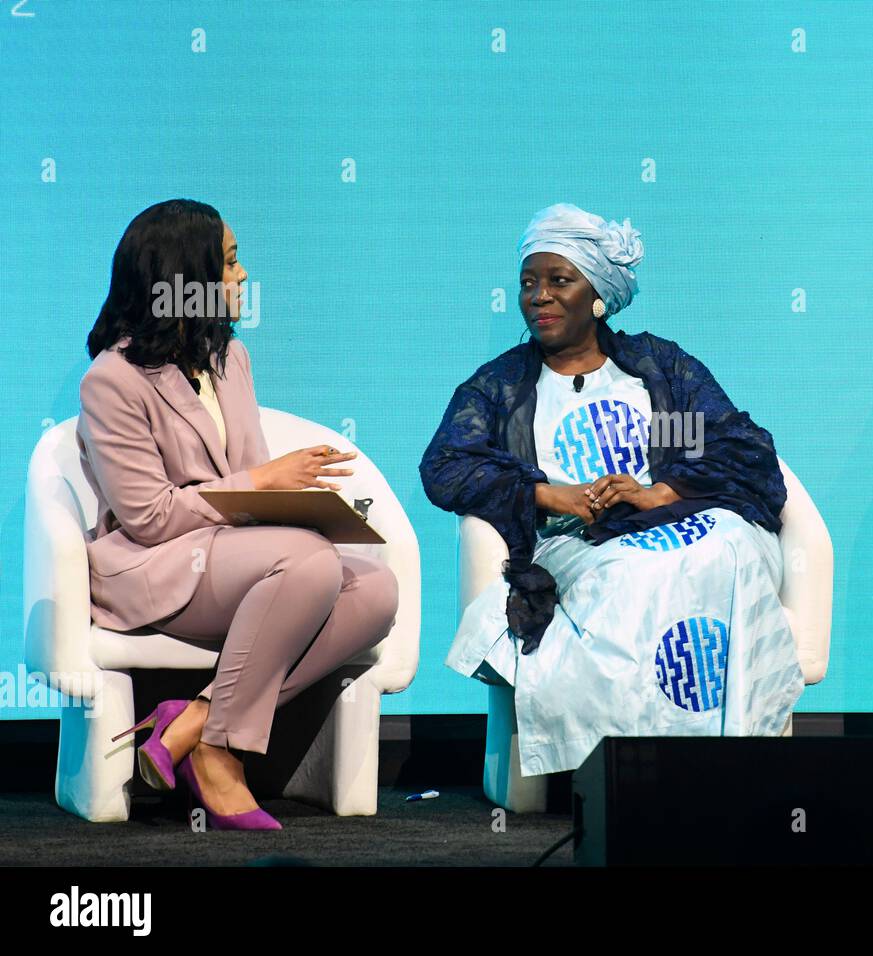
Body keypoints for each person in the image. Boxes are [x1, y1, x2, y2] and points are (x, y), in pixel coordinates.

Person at [420, 203, 804, 777]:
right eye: (529, 283)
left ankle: (733, 762)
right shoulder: (503, 386)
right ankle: (634, 773)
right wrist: (551, 494)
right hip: (582, 544)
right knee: (632, 575)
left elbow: (741, 447)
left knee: (730, 546)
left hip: (678, 525)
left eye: (558, 281)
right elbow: (446, 466)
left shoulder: (655, 370)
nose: (539, 296)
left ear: (597, 294)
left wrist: (662, 492)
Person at [81, 199, 399, 830]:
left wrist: (302, 506)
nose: (244, 275)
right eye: (228, 262)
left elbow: (247, 480)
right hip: (155, 564)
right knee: (307, 561)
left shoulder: (230, 358)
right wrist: (261, 484)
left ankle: (197, 721)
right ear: (185, 278)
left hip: (240, 556)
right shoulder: (112, 380)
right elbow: (148, 517)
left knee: (378, 590)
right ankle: (221, 756)